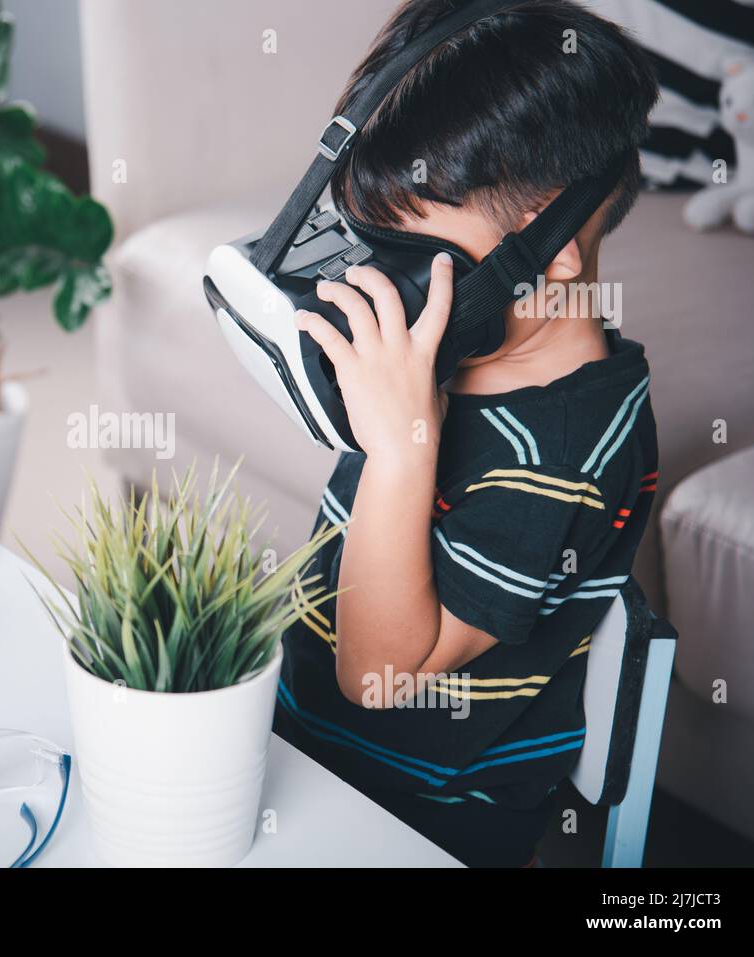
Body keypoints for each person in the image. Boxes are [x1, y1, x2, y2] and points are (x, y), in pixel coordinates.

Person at [274, 0, 661, 867]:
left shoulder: (561, 458)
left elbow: (378, 675)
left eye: (416, 259)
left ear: (549, 248)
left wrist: (403, 446)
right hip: (307, 753)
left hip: (426, 817)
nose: (385, 284)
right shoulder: (454, 348)